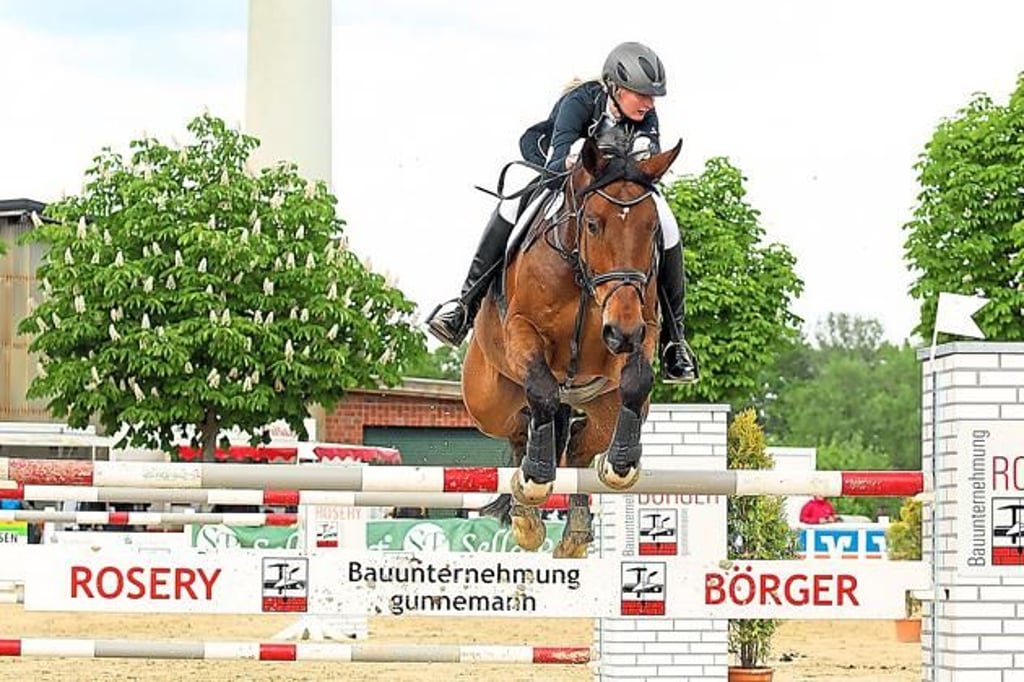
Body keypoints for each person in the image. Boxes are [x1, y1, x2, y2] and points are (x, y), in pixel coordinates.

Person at [425, 41, 698, 384]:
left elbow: (642, 169)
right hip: (554, 168)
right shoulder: (579, 101)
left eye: (653, 96)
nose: (649, 103)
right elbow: (557, 162)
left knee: (666, 220)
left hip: (609, 191)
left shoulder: (647, 115)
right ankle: (464, 306)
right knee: (511, 204)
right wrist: (588, 161)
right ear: (615, 88)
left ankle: (675, 340)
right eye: (641, 94)